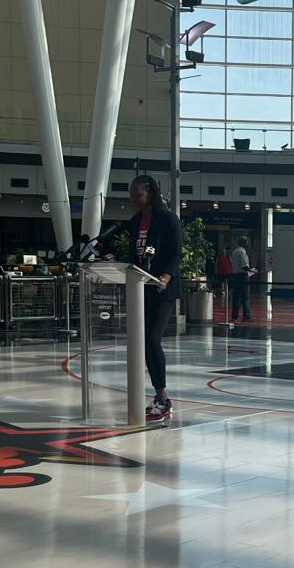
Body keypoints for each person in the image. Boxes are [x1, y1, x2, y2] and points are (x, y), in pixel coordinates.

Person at [125, 175, 181, 424]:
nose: (134, 200)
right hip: (140, 289)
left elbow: (175, 253)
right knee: (143, 343)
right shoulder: (135, 222)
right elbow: (130, 256)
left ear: (151, 193)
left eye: (138, 195)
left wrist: (166, 276)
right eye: (131, 196)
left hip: (161, 290)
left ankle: (163, 398)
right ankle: (157, 398)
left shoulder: (168, 219)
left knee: (152, 339)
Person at [231, 236, 256, 322]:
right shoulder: (242, 252)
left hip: (235, 276)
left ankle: (234, 316)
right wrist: (253, 270)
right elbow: (244, 266)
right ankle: (247, 316)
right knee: (245, 297)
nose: (248, 243)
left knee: (236, 297)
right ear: (243, 243)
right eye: (247, 242)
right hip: (242, 276)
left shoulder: (235, 251)